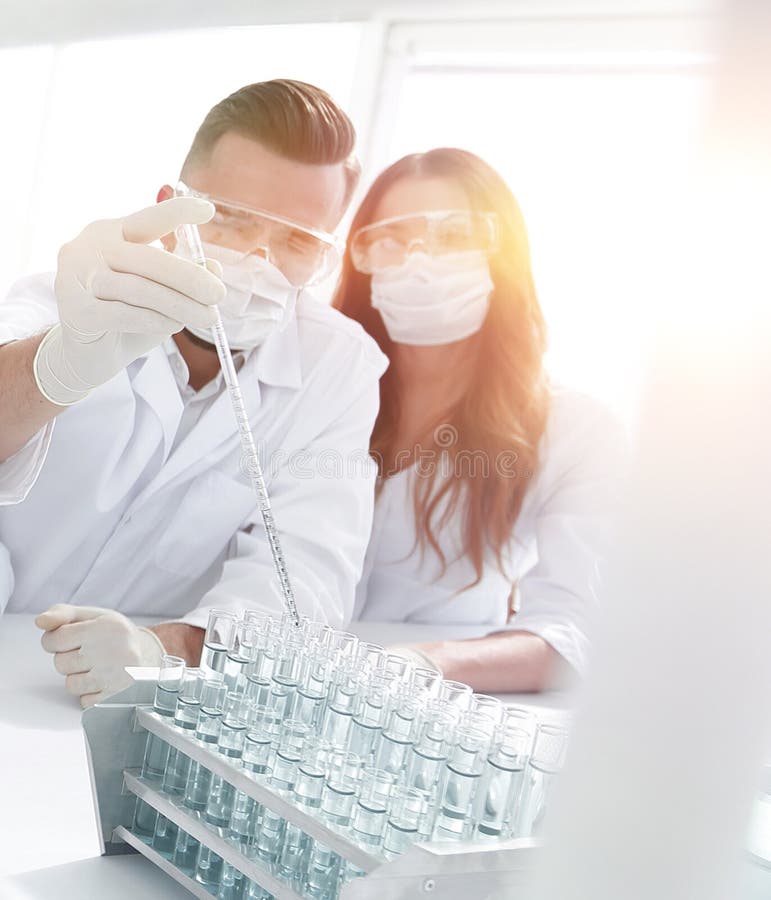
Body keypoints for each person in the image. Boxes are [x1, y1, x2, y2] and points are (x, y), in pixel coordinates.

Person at [0, 80, 387, 706]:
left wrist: (165, 650)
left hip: (140, 702)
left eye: (297, 241)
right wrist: (59, 363)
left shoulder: (337, 366)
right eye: (230, 220)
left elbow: (306, 580)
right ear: (169, 207)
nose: (260, 258)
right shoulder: (74, 292)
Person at [334, 148, 627, 693]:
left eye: (452, 236)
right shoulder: (317, 390)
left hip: (424, 709)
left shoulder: (577, 431)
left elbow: (572, 631)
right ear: (362, 257)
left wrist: (426, 665)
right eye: (393, 238)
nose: (419, 261)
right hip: (275, 684)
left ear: (504, 254)